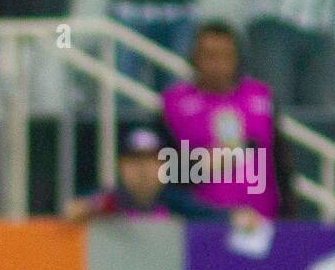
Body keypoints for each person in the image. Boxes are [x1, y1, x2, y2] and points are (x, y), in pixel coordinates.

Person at [159, 20, 295, 218]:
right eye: (209, 56)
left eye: (225, 56)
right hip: (203, 225)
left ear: (237, 59)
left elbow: (280, 162)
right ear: (194, 58)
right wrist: (202, 165)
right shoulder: (174, 104)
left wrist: (288, 213)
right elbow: (165, 173)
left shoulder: (260, 97)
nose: (217, 64)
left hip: (263, 221)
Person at [64, 124, 262, 225]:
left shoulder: (174, 202)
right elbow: (73, 210)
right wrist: (91, 209)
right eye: (134, 161)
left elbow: (211, 215)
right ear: (121, 166)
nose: (143, 169)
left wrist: (237, 216)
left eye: (151, 161)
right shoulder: (110, 199)